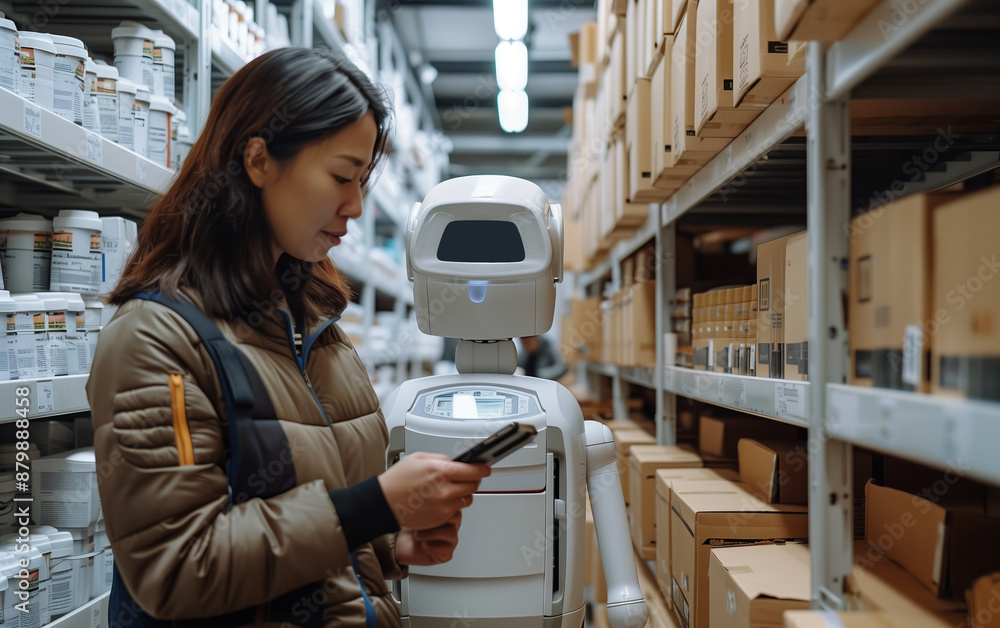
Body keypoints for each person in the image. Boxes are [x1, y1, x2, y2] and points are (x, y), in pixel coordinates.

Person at [87, 47, 490, 627]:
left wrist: (390, 544)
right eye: (340, 177)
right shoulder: (156, 339)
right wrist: (377, 504)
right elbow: (176, 569)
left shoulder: (316, 326)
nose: (355, 205)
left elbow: (310, 517)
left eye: (363, 181)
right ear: (259, 160)